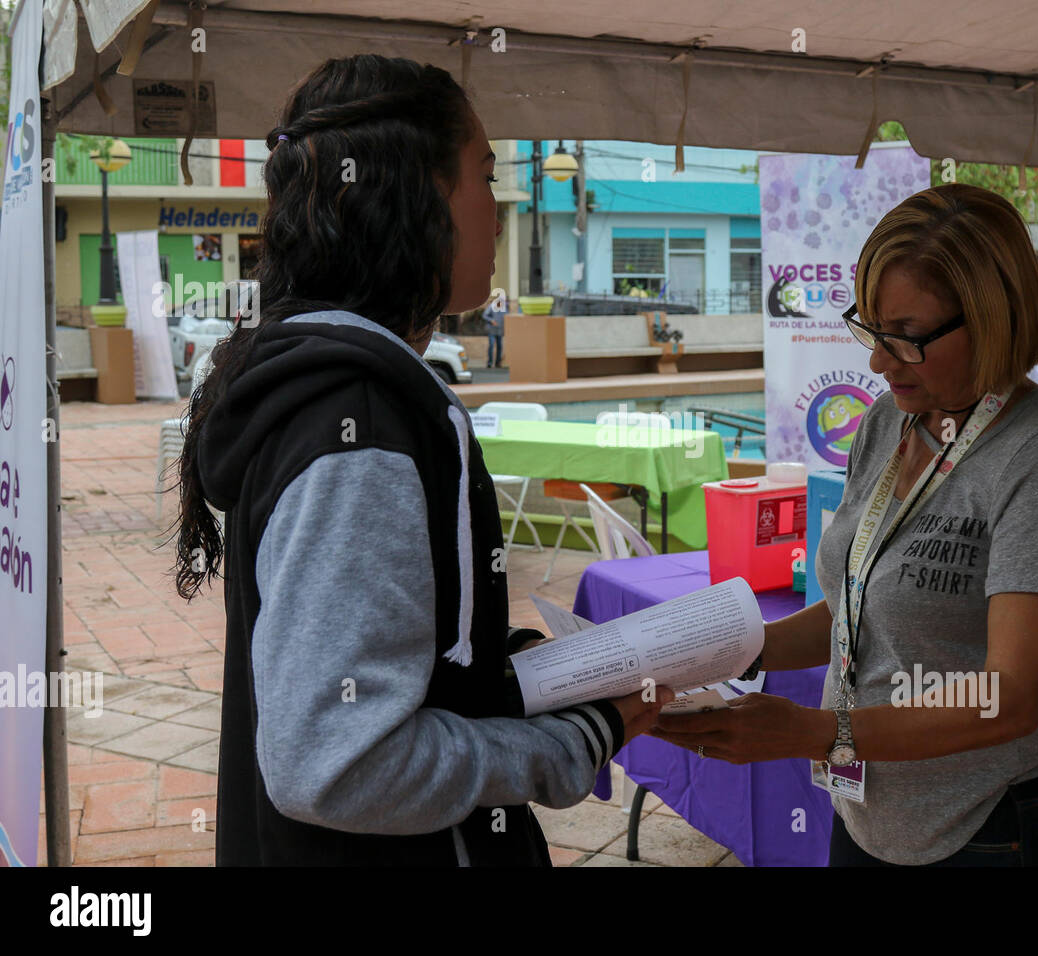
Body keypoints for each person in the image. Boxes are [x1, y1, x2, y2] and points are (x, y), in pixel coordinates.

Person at [170, 54, 668, 866]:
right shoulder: (360, 427)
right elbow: (338, 763)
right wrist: (573, 742)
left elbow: (379, 673)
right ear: (417, 196)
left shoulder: (330, 387)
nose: (498, 208)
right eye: (484, 173)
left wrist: (506, 674)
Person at [652, 183, 1038, 867]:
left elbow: (1011, 699)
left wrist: (813, 731)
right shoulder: (893, 420)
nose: (876, 360)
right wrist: (733, 649)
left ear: (991, 319)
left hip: (993, 822)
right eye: (871, 327)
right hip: (873, 806)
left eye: (904, 336)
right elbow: (858, 607)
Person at [482, 296, 505, 368]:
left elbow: (506, 317)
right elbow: (484, 315)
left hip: (499, 331)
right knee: (491, 345)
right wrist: (491, 320)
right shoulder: (491, 307)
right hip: (492, 330)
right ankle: (489, 363)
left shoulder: (503, 309)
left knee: (500, 346)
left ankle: (498, 363)